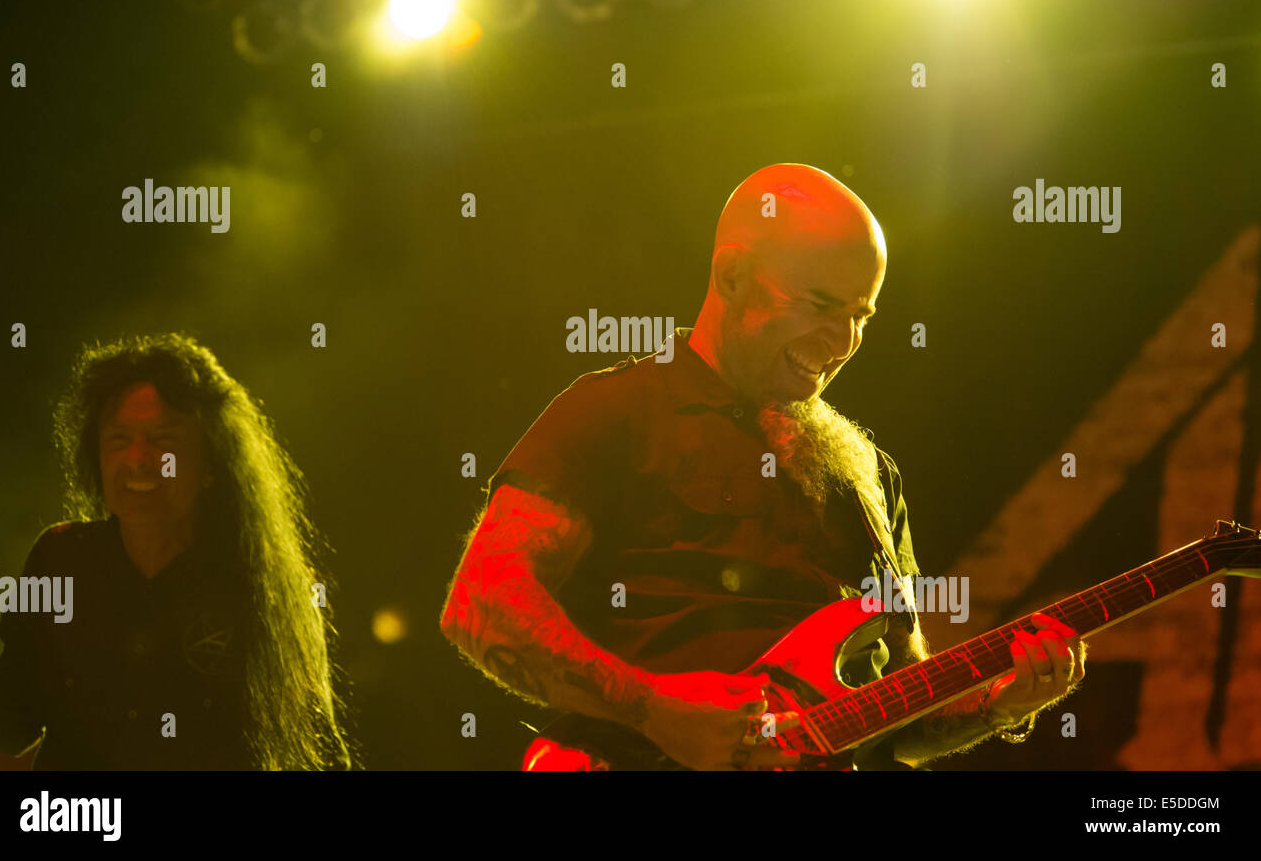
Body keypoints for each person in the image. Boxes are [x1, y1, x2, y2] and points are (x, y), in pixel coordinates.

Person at [440, 163, 1086, 771]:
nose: (843, 343)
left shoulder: (867, 473)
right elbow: (482, 600)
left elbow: (902, 711)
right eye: (821, 304)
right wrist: (654, 709)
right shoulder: (616, 410)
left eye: (861, 316)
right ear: (732, 276)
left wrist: (999, 701)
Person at [0, 333, 355, 770]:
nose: (137, 457)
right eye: (118, 439)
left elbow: (317, 747)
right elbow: (9, 720)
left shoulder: (261, 580)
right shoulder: (60, 558)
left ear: (212, 463)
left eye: (161, 438)